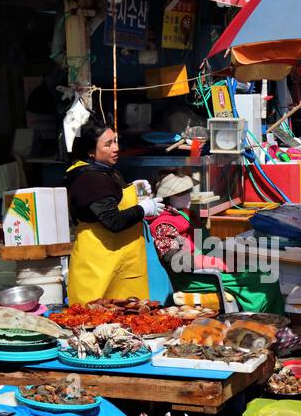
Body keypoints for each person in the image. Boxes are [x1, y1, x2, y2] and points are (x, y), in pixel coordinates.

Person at [148, 173, 283, 313]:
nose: (188, 196)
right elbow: (177, 260)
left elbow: (203, 243)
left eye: (188, 191)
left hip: (208, 267)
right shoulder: (163, 224)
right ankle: (261, 322)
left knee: (265, 272)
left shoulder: (186, 214)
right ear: (167, 198)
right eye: (181, 193)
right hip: (194, 278)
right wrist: (217, 263)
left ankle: (274, 324)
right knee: (265, 280)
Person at [64, 119, 162, 304]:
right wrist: (143, 209)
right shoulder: (90, 179)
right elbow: (113, 221)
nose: (116, 148)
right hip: (98, 268)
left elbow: (114, 198)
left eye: (115, 141)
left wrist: (133, 189)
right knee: (93, 320)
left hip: (119, 264)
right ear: (91, 151)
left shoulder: (106, 172)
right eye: (108, 144)